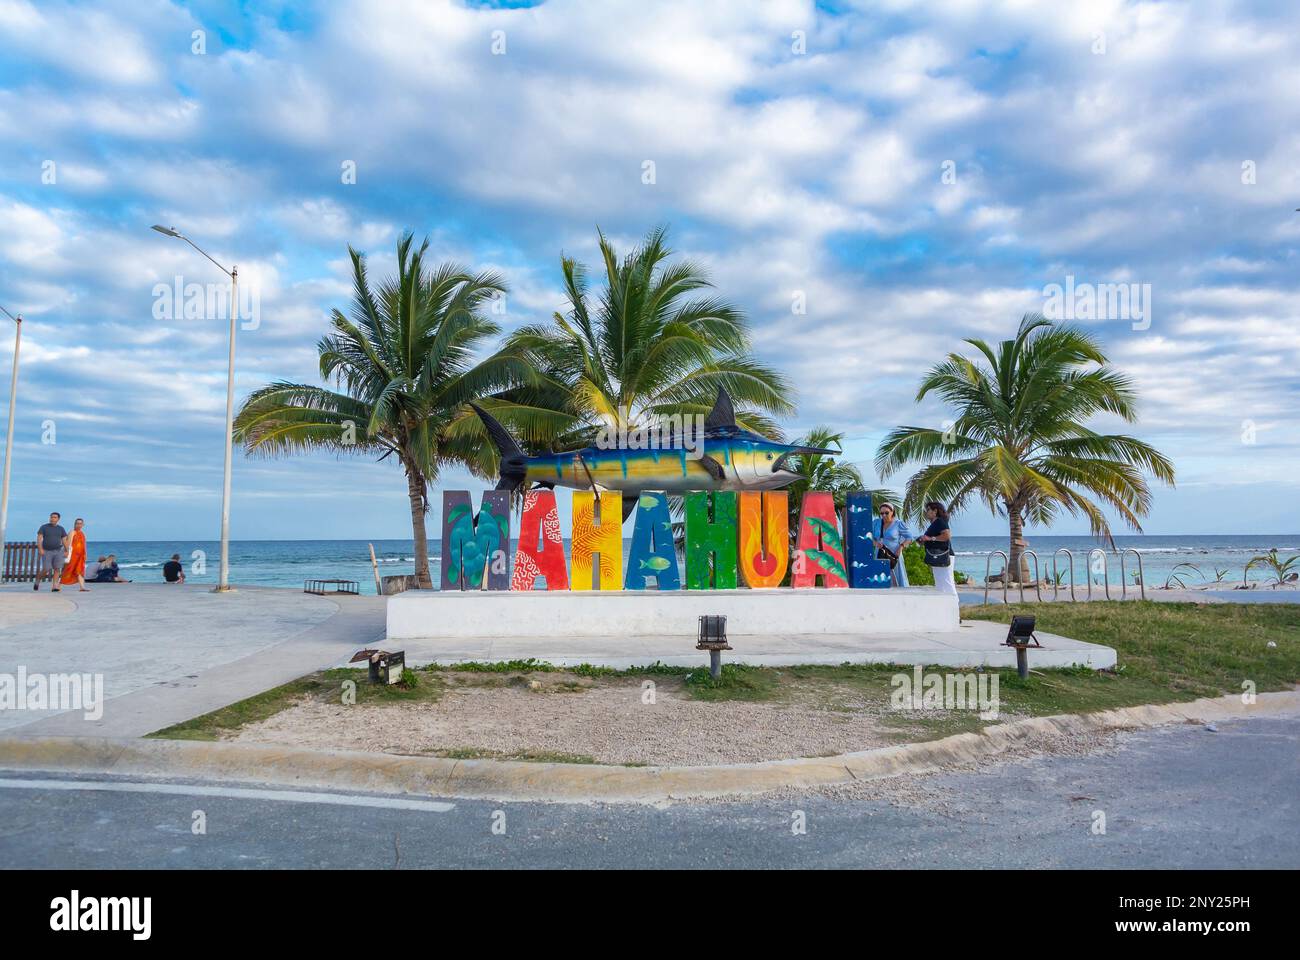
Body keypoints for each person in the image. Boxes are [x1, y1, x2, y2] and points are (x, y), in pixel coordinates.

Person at [917, 501, 956, 596]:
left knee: (947, 581)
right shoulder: (934, 524)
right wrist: (924, 539)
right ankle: (945, 604)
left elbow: (947, 535)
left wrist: (930, 538)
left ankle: (954, 604)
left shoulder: (940, 521)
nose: (926, 512)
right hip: (936, 555)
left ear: (935, 511)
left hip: (944, 555)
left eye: (928, 510)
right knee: (940, 583)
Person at [876, 502, 915, 587]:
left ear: (892, 512)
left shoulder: (898, 523)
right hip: (879, 553)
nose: (884, 515)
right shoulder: (876, 523)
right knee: (881, 579)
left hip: (894, 554)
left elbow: (910, 538)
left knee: (897, 579)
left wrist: (901, 546)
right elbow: (869, 536)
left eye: (886, 513)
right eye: (882, 513)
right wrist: (875, 543)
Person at [33, 512, 68, 592]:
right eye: (51, 517)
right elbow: (39, 538)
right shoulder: (44, 527)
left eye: (55, 517)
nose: (52, 519)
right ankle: (38, 580)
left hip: (58, 551)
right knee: (46, 568)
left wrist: (67, 550)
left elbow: (64, 540)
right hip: (46, 551)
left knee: (57, 568)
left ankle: (55, 586)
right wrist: (40, 549)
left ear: (58, 519)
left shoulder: (61, 528)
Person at [59, 518, 90, 592]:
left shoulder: (82, 533)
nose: (78, 525)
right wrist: (67, 552)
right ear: (74, 524)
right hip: (73, 555)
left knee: (80, 570)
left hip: (80, 556)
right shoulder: (72, 532)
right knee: (67, 570)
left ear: (83, 525)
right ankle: (58, 585)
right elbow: (68, 543)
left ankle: (82, 587)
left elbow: (83, 545)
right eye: (77, 523)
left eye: (80, 523)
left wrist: (85, 554)